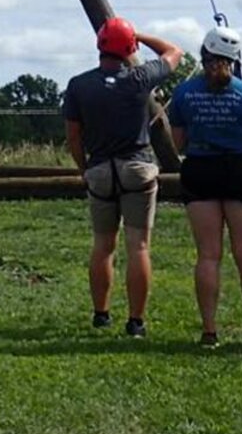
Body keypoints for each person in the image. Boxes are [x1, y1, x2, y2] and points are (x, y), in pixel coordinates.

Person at [61, 17, 182, 338]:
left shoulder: (79, 85)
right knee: (138, 246)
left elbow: (74, 135)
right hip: (137, 166)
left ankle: (101, 313)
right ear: (129, 48)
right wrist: (137, 35)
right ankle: (136, 320)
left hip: (100, 169)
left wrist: (82, 168)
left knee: (103, 245)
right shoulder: (140, 78)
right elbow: (173, 51)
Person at [167, 25, 242, 347]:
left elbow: (178, 144)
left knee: (208, 256)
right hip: (241, 171)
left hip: (200, 170)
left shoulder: (183, 95)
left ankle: (210, 331)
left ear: (203, 55)